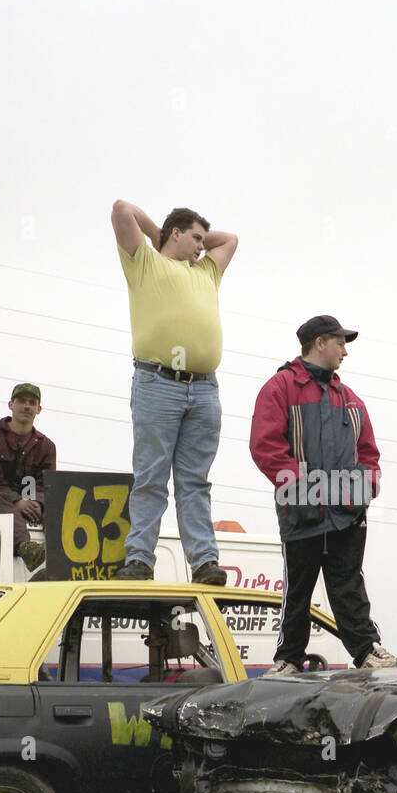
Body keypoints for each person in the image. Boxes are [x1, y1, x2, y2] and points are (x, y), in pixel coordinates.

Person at [250, 315, 397, 673]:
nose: (345, 351)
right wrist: (300, 490)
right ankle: (288, 659)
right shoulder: (279, 388)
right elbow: (265, 446)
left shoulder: (350, 398)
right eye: (340, 342)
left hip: (347, 513)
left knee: (348, 585)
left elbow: (369, 454)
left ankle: (367, 652)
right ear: (320, 343)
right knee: (298, 590)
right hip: (300, 512)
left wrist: (363, 491)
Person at [110, 199, 239, 584]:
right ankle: (139, 559)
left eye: (204, 239)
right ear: (176, 234)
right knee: (151, 477)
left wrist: (189, 239)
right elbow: (121, 209)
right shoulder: (145, 262)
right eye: (195, 237)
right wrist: (160, 235)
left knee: (195, 482)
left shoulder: (207, 272)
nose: (203, 245)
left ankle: (203, 562)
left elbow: (230, 239)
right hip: (157, 383)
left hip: (203, 388)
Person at [0, 382, 56, 571]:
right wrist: (17, 501)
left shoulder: (46, 446)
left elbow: (45, 484)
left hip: (26, 503)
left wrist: (37, 503)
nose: (26, 406)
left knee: (58, 504)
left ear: (39, 409)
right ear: (11, 405)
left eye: (32, 402)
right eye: (21, 401)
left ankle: (58, 552)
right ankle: (26, 549)